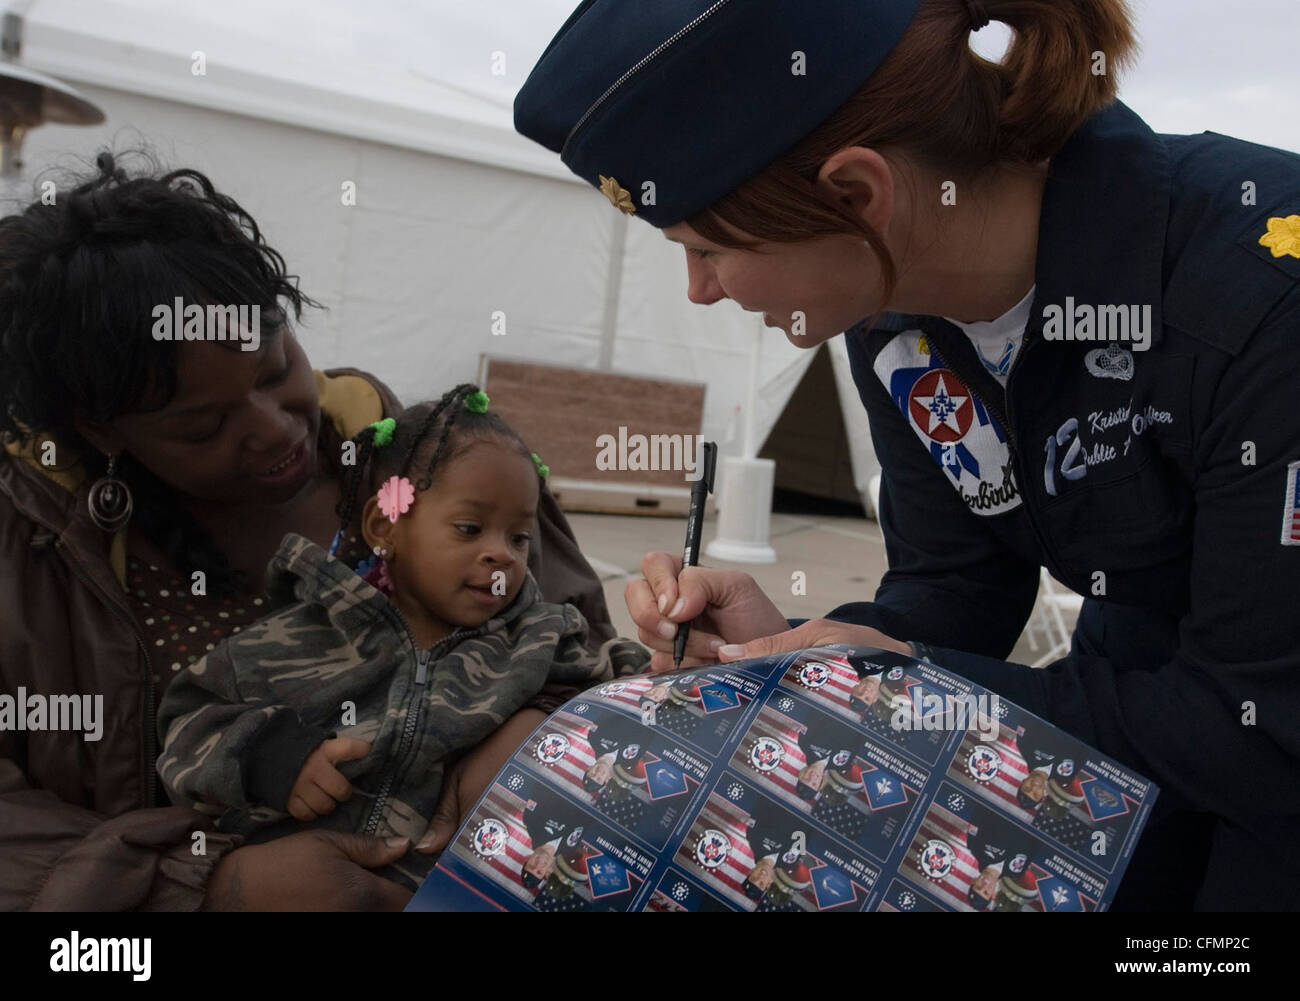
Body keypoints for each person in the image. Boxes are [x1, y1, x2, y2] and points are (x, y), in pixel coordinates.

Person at [514, 0, 1300, 909]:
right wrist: (795, 651)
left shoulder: (1260, 303)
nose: (698, 292)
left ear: (856, 195)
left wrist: (901, 687)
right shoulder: (894, 316)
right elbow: (957, 585)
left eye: (705, 248)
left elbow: (1256, 731)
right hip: (1141, 749)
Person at [0, 153, 620, 910]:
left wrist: (532, 726)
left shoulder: (435, 463)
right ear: (104, 429)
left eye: (272, 369)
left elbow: (582, 648)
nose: (271, 430)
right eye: (204, 424)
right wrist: (212, 887)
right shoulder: (32, 551)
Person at [156, 385, 648, 890]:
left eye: (518, 537)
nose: (501, 554)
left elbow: (631, 693)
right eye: (469, 528)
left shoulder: (538, 640)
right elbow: (183, 722)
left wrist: (537, 717)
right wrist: (269, 755)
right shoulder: (297, 636)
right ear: (384, 526)